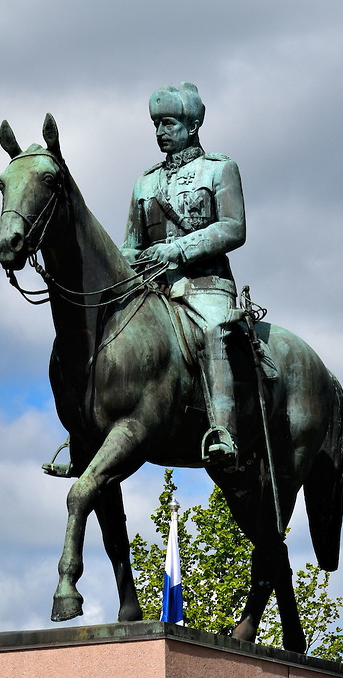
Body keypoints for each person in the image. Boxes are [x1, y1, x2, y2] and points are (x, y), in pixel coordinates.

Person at [122, 82, 246, 471]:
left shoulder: (219, 169)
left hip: (205, 287)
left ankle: (223, 431)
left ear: (192, 126)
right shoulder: (145, 182)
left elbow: (232, 228)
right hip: (153, 289)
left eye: (169, 123)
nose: (160, 132)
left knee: (213, 331)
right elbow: (131, 243)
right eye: (156, 124)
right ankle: (85, 429)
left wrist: (177, 249)